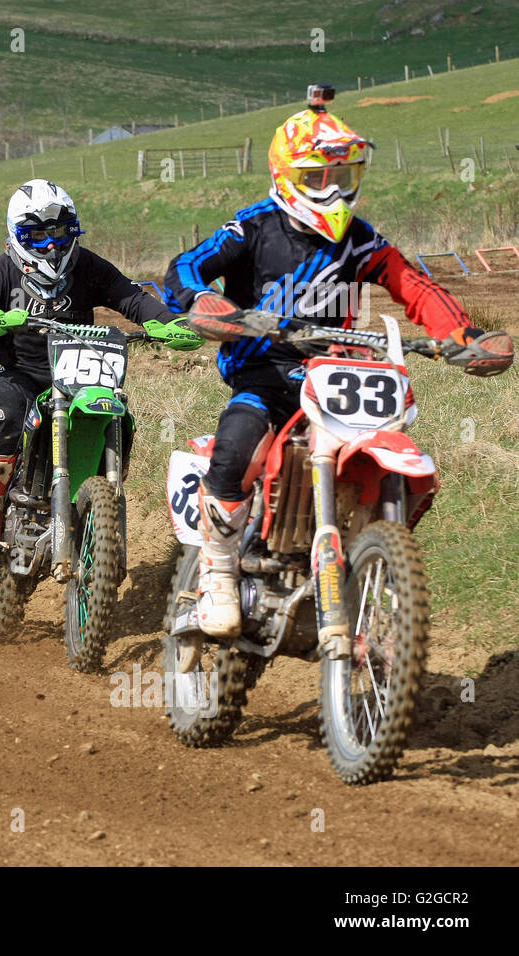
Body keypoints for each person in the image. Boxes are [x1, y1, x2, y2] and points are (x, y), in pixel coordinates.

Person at [164, 89, 488, 640]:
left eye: (345, 176)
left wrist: (465, 336)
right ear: (288, 176)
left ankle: (372, 558)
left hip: (340, 374)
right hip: (265, 372)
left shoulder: (360, 243)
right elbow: (187, 266)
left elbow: (413, 285)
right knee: (239, 440)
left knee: (398, 452)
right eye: (318, 178)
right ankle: (217, 572)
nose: (334, 190)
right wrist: (201, 301)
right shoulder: (255, 227)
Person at [0, 179, 188, 548]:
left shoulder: (89, 266)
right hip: (24, 374)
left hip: (83, 373)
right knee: (6, 412)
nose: (50, 244)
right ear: (17, 236)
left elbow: (132, 298)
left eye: (60, 233)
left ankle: (102, 496)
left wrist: (168, 322)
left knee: (121, 416)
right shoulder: (1, 271)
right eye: (37, 235)